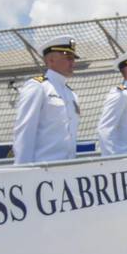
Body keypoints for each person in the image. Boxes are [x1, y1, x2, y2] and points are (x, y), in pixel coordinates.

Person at [12, 35, 79, 164]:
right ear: (50, 60)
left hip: (68, 169)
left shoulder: (71, 94)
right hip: (42, 169)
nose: (72, 63)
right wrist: (22, 171)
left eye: (73, 58)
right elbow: (24, 131)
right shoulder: (38, 87)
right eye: (68, 58)